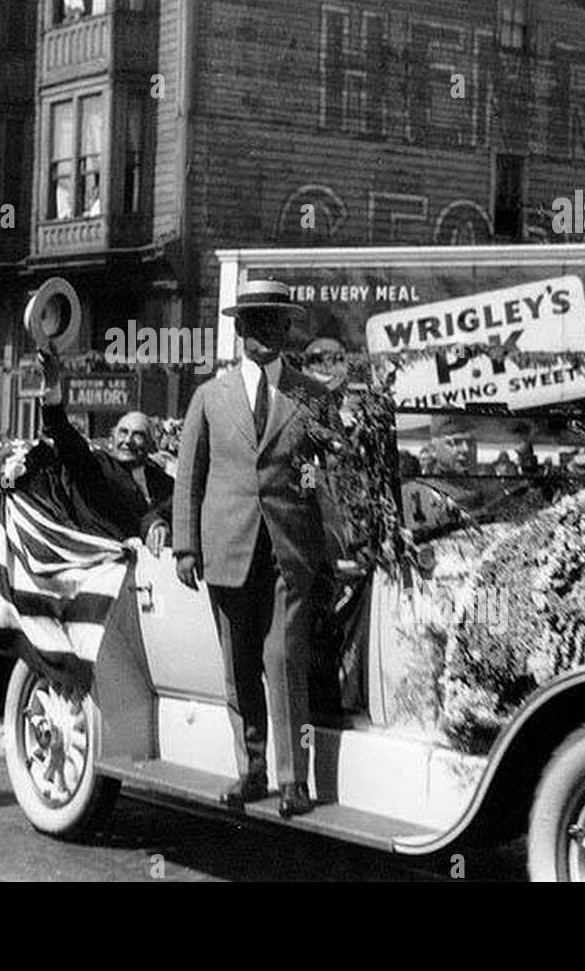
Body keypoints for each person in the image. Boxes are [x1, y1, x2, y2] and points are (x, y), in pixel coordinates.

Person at [173, 279, 337, 819]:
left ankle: (293, 781)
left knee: (284, 660)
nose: (266, 331)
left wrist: (314, 513)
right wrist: (185, 547)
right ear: (239, 328)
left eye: (276, 321)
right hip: (227, 547)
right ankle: (252, 770)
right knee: (239, 666)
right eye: (255, 321)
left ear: (288, 328)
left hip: (289, 549)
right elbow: (190, 476)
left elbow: (322, 473)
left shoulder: (312, 396)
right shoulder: (209, 396)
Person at [36, 347, 172, 551]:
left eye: (138, 435)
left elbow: (178, 506)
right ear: (112, 438)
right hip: (100, 560)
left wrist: (158, 523)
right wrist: (52, 385)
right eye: (123, 432)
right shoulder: (96, 466)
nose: (128, 441)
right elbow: (63, 434)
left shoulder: (163, 482)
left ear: (151, 445)